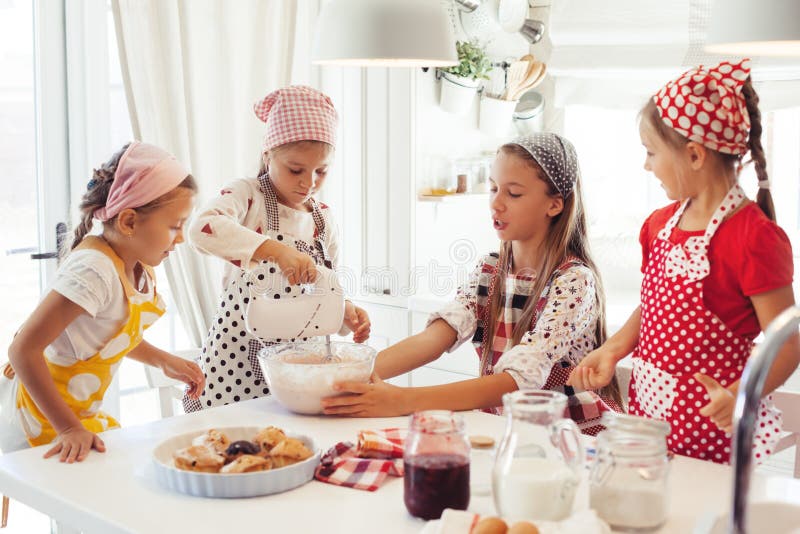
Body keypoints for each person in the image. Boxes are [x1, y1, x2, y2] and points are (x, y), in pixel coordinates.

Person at [568, 59, 800, 463]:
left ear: (694, 155)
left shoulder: (754, 238)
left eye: (651, 152)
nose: (646, 165)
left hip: (713, 436)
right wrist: (613, 349)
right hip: (647, 426)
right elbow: (657, 304)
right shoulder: (658, 225)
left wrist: (742, 392)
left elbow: (789, 342)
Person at [324, 133, 621, 432]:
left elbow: (515, 381)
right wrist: (349, 376)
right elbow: (435, 339)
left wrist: (401, 399)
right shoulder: (489, 270)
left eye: (513, 194)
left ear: (554, 205)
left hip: (569, 436)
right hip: (506, 428)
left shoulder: (574, 281)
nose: (496, 203)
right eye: (493, 189)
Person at [0, 142, 204, 462]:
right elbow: (22, 350)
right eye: (175, 225)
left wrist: (163, 360)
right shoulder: (95, 269)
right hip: (39, 419)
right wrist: (68, 429)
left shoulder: (136, 263)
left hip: (73, 413)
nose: (180, 238)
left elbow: (109, 333)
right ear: (129, 222)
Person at [185, 85, 370, 411]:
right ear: (268, 154)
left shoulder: (323, 219)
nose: (308, 183)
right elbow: (201, 229)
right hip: (234, 366)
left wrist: (346, 313)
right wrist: (273, 249)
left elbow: (324, 292)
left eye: (321, 171)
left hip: (297, 374)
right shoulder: (248, 196)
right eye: (295, 169)